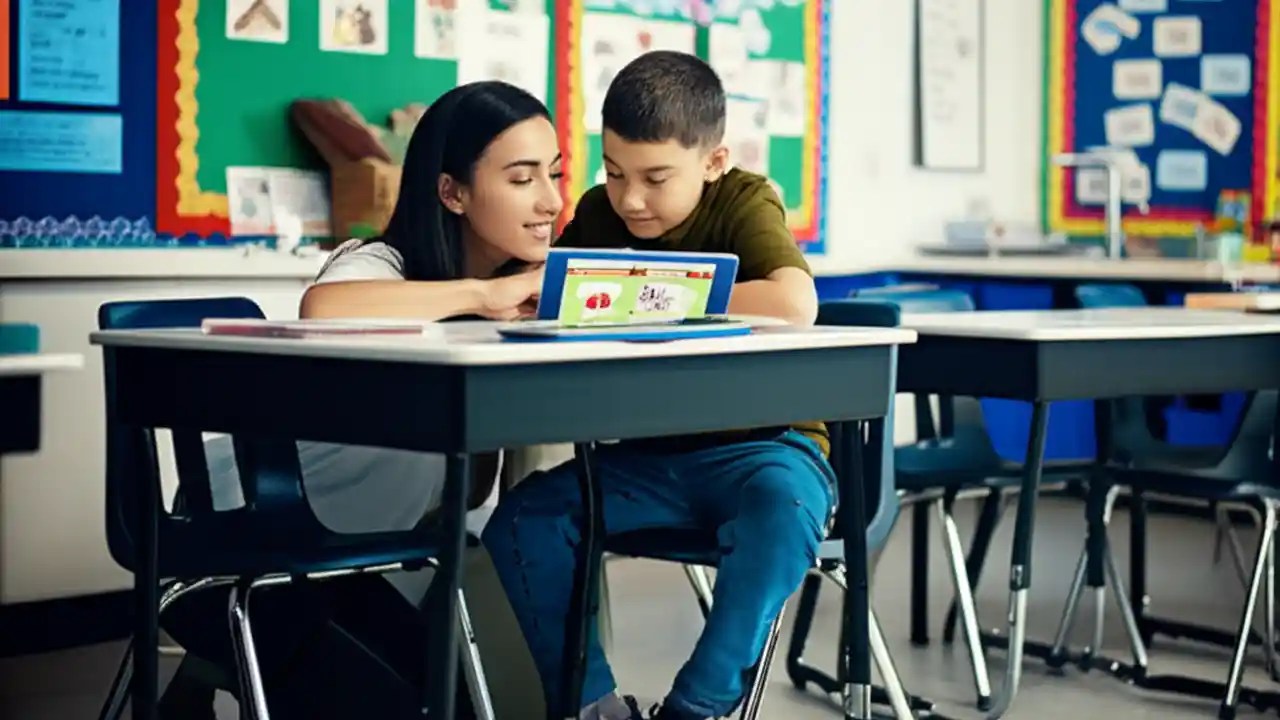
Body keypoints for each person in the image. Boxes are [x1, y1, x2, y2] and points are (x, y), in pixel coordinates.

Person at [158, 79, 563, 719]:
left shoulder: (528, 296)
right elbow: (325, 308)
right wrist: (479, 298)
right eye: (522, 179)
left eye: (556, 174)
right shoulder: (380, 264)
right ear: (451, 192)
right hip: (242, 529)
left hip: (357, 562)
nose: (550, 201)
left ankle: (212, 676)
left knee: (454, 703)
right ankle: (217, 667)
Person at [482, 51, 833, 720]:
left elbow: (794, 303)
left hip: (767, 450)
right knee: (526, 519)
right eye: (614, 173)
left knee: (782, 513)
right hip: (649, 459)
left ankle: (694, 709)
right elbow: (564, 301)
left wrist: (644, 294)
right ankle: (594, 707)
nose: (631, 198)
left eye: (656, 177)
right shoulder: (598, 214)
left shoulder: (744, 199)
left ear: (713, 160)